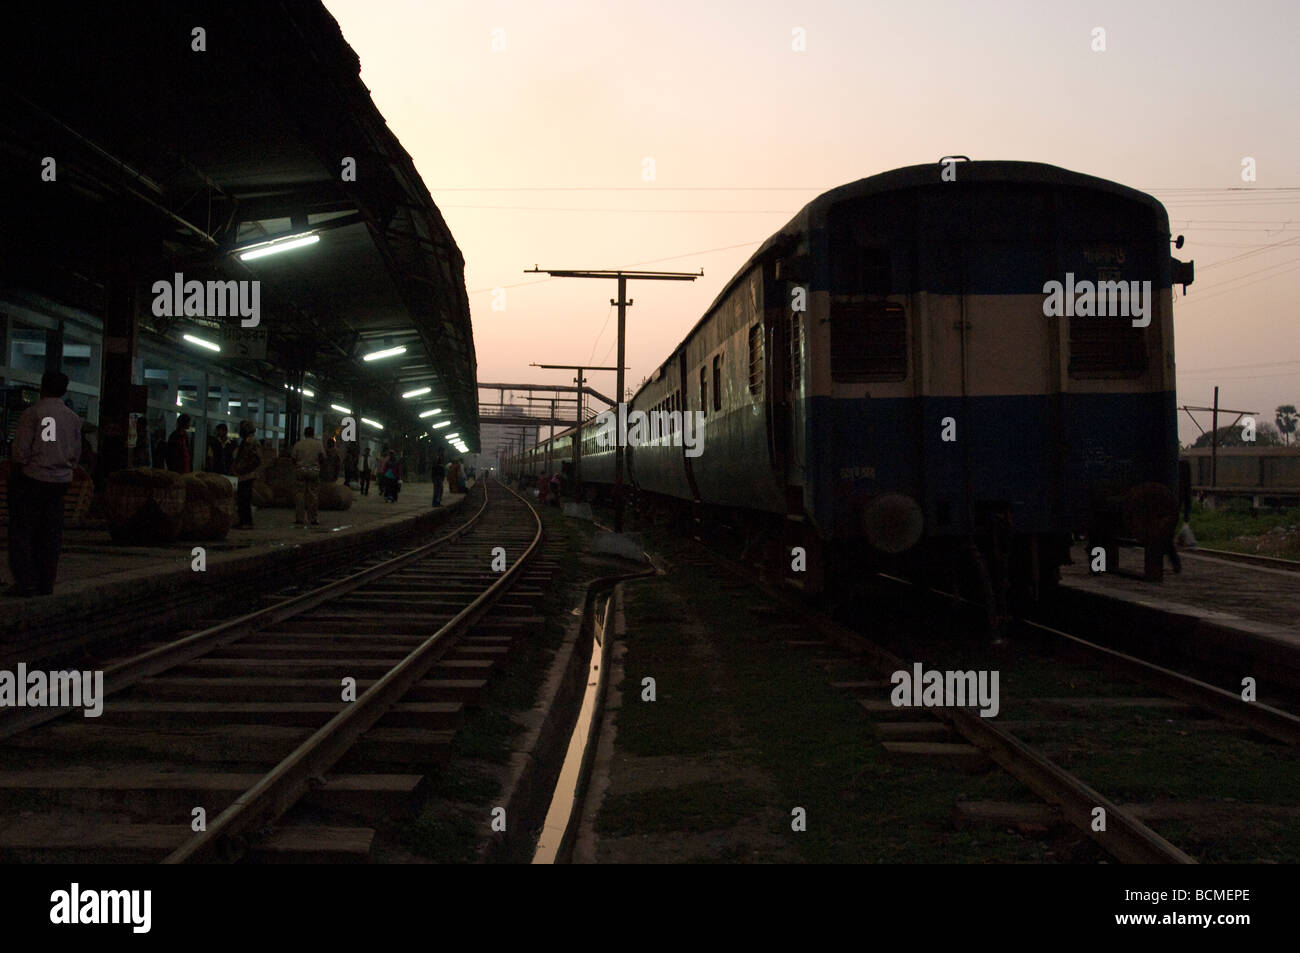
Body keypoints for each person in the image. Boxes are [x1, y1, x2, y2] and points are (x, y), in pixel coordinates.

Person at [6, 371, 82, 597]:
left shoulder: (33, 413)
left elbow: (20, 451)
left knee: (23, 531)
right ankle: (45, 582)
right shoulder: (72, 418)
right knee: (50, 533)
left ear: (42, 387)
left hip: (33, 478)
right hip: (60, 482)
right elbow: (76, 454)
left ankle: (25, 581)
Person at [290, 426, 325, 526]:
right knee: (313, 495)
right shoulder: (318, 445)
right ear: (313, 434)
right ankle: (313, 519)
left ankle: (300, 518)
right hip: (314, 471)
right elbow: (322, 457)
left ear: (304, 434)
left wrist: (298, 466)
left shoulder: (299, 444)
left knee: (300, 495)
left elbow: (293, 458)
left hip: (301, 470)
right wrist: (318, 465)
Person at [231, 421, 263, 529]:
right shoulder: (247, 441)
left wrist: (244, 469)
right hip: (243, 474)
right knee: (242, 498)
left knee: (245, 498)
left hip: (247, 474)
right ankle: (243, 520)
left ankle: (246, 522)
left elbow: (255, 459)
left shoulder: (251, 442)